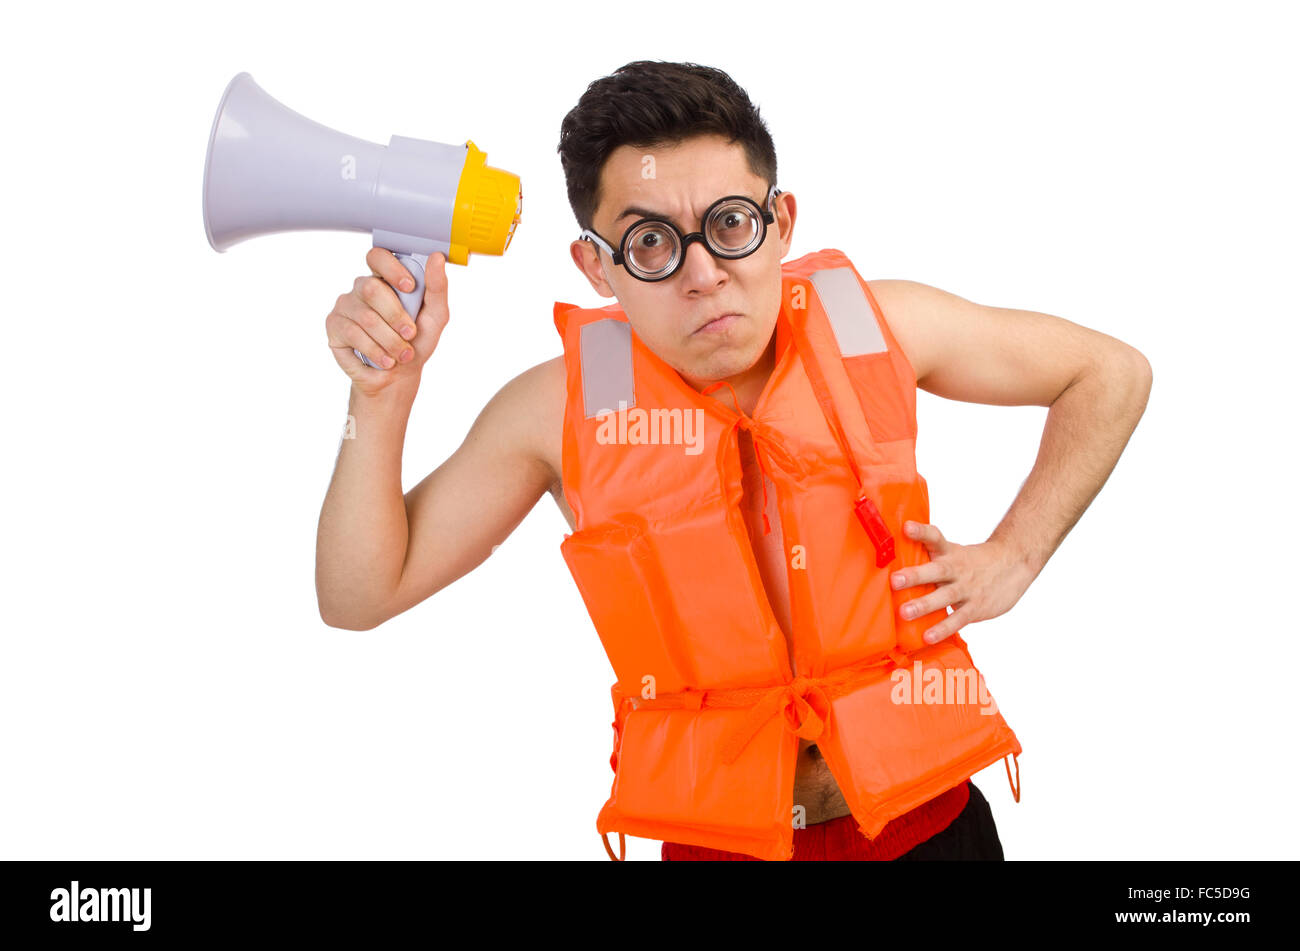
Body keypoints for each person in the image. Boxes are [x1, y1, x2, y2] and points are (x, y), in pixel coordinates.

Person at [316, 60, 1152, 861]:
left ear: (780, 222)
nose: (706, 275)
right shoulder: (555, 408)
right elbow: (360, 591)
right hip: (722, 852)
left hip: (931, 833)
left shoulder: (887, 325)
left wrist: (1014, 556)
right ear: (596, 267)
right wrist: (383, 395)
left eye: (730, 224)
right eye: (650, 243)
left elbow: (1108, 373)